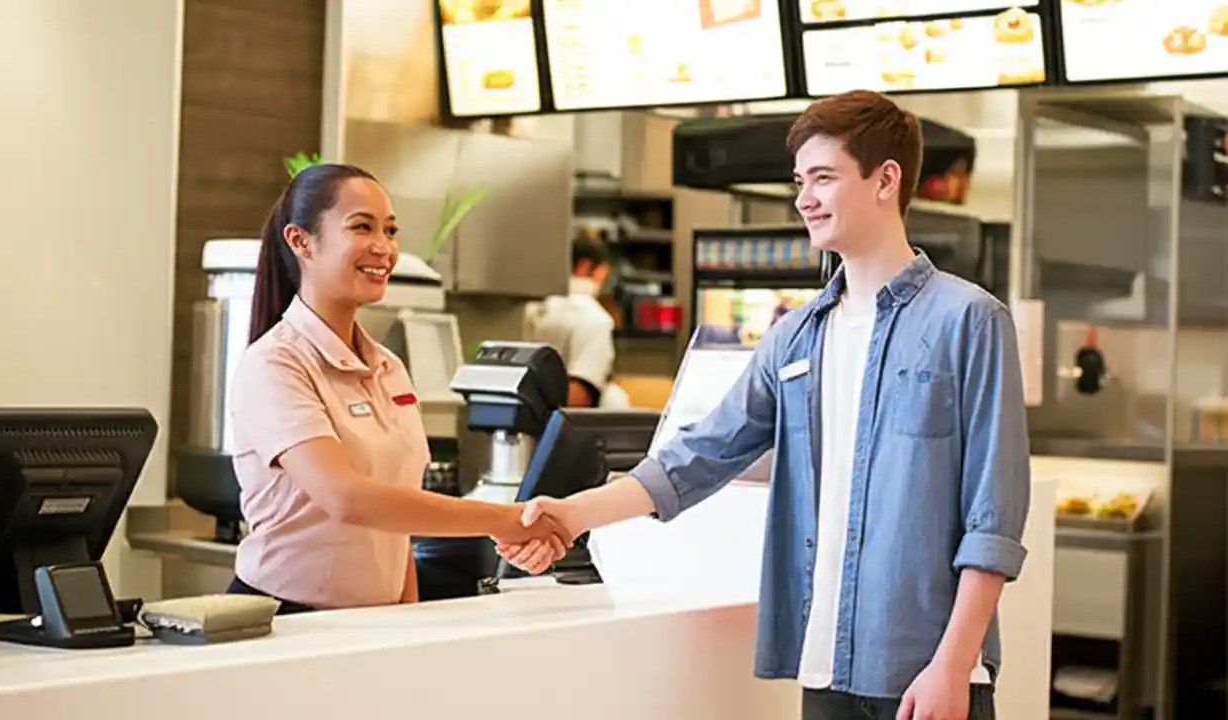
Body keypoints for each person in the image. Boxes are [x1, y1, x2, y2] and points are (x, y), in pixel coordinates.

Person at [501, 91, 1030, 720]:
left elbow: (992, 517)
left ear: (886, 179)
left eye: (824, 178)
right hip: (825, 663)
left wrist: (953, 665)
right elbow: (697, 457)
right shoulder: (794, 335)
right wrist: (571, 513)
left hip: (927, 668)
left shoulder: (968, 320)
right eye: (800, 180)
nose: (805, 197)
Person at [228, 163, 569, 613]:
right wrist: (505, 520)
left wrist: (406, 617)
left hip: (373, 619)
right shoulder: (275, 363)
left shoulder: (388, 367)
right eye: (362, 227)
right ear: (300, 241)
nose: (383, 248)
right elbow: (346, 497)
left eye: (391, 231)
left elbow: (394, 523)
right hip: (284, 618)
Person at [526, 234, 629, 409]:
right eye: (602, 274)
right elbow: (578, 396)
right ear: (584, 267)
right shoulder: (594, 319)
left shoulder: (532, 307)